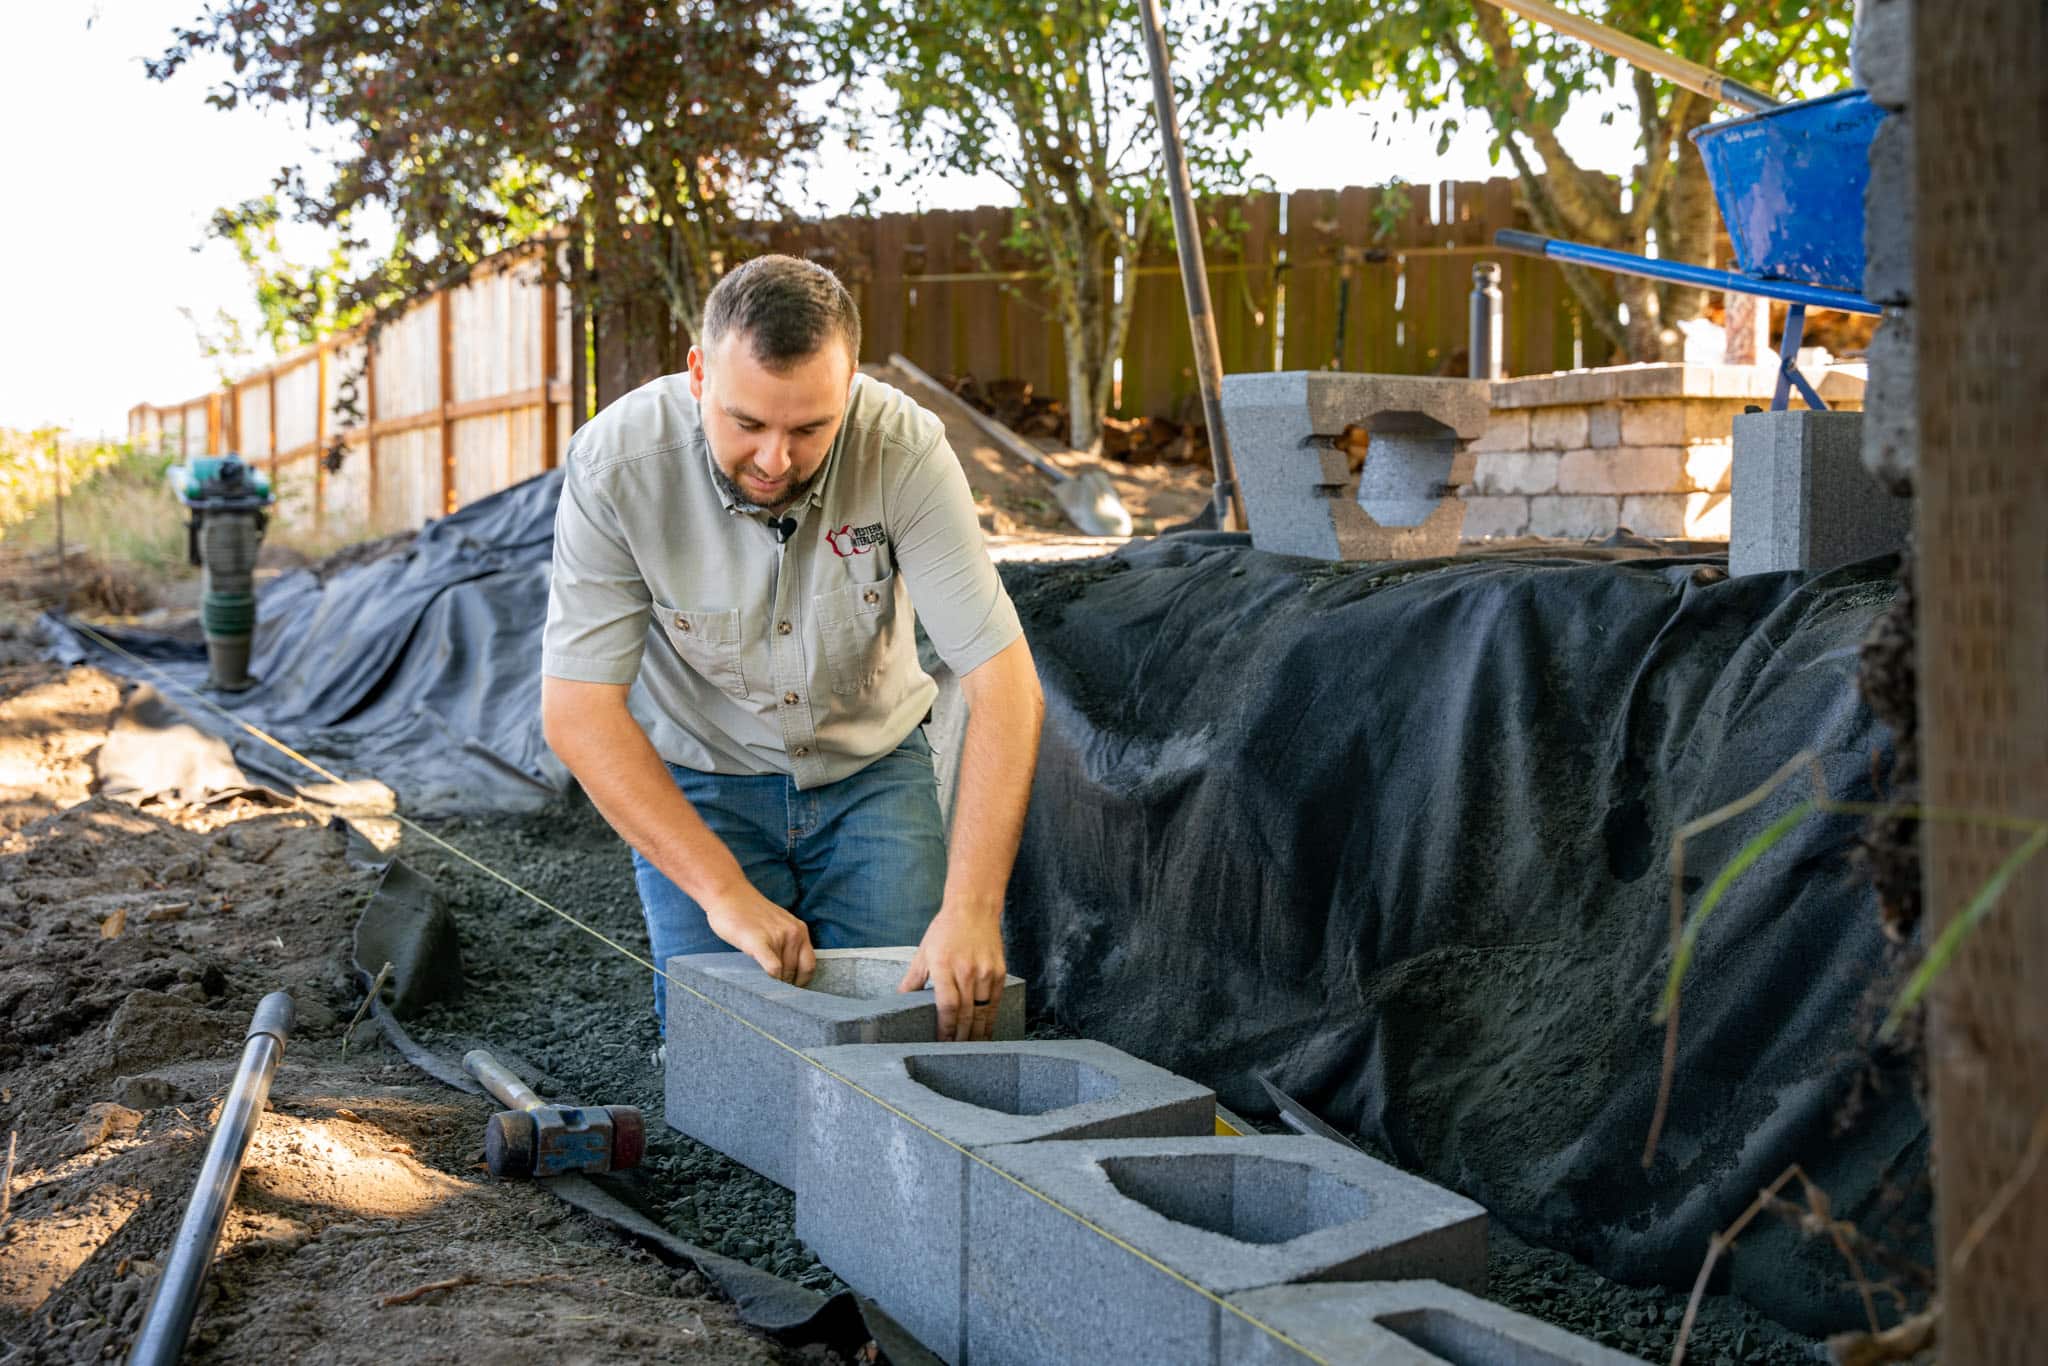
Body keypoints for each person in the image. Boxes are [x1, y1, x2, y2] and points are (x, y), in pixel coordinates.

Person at [539, 255, 1043, 1044]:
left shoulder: (904, 451)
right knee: (726, 1058)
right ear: (700, 373)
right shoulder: (616, 465)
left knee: (918, 1029)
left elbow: (1006, 687)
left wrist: (972, 909)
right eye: (747, 424)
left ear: (847, 391)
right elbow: (577, 711)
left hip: (871, 774)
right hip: (703, 781)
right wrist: (721, 891)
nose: (775, 459)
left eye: (809, 428)